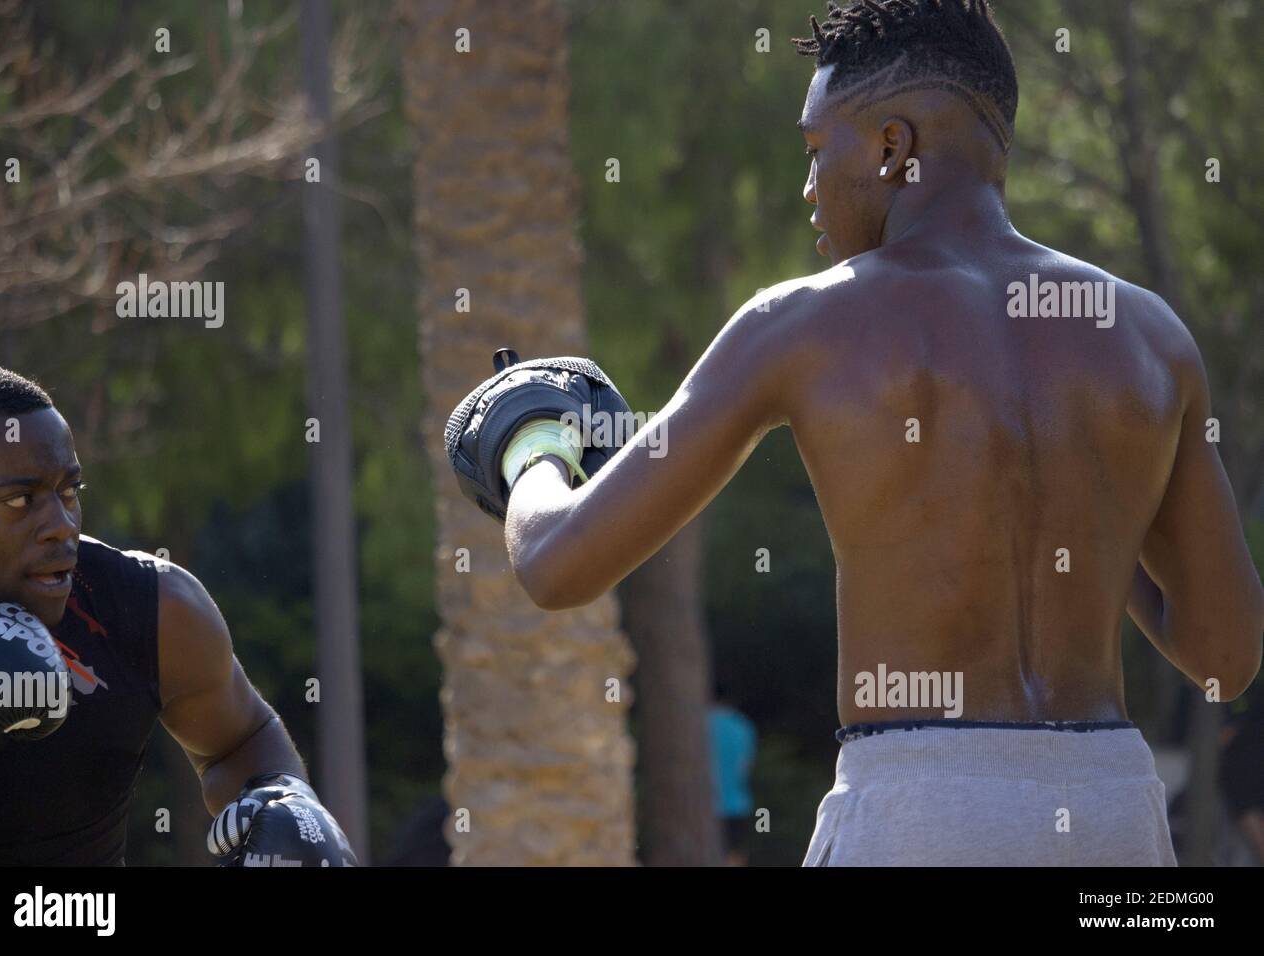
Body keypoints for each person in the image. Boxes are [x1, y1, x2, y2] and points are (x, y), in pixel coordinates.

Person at [447, 0, 1262, 866]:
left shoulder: (801, 324)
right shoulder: (1149, 335)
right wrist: (1097, 510)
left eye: (813, 148)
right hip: (1114, 817)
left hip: (919, 808)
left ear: (890, 146)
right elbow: (1227, 658)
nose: (806, 187)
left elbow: (556, 562)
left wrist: (530, 437)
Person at [0, 362, 355, 866]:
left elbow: (241, 739)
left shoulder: (150, 608)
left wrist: (285, 799)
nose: (60, 526)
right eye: (20, 500)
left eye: (68, 492)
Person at [708, 683, 757, 866]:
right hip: (738, 803)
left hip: (706, 804)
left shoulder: (698, 725)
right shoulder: (743, 725)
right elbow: (746, 766)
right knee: (734, 855)